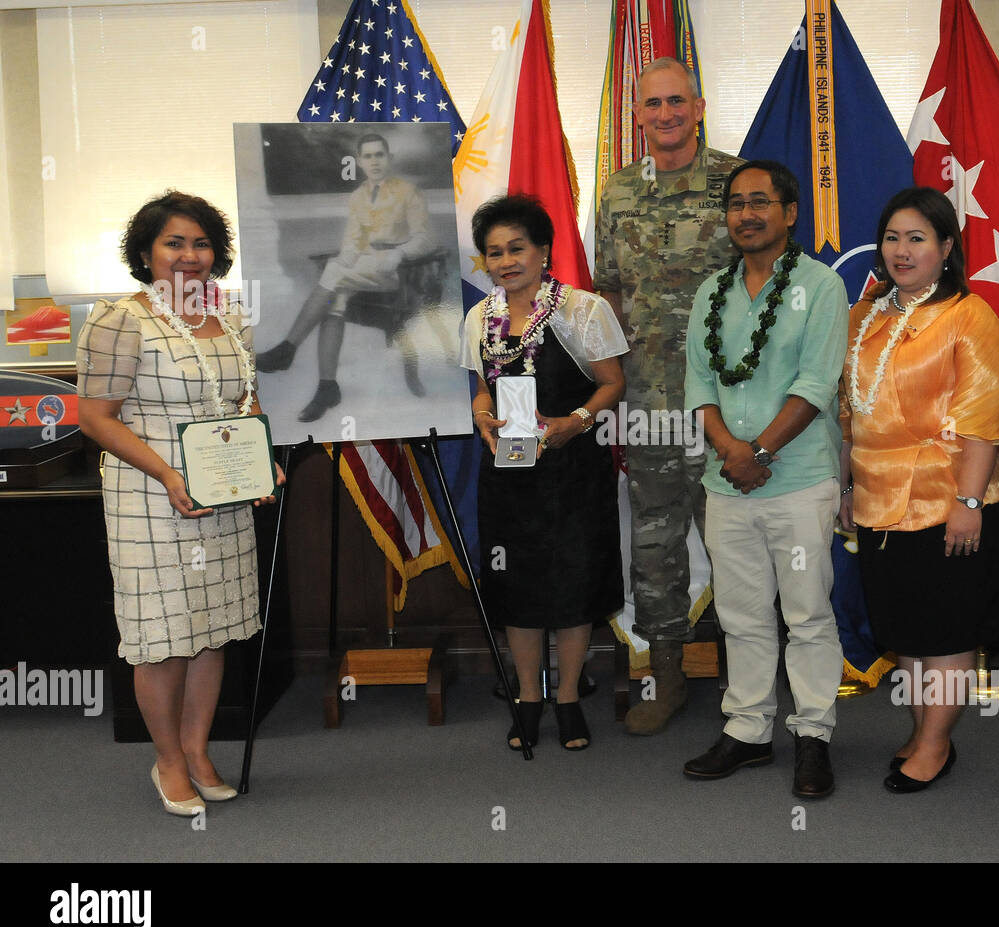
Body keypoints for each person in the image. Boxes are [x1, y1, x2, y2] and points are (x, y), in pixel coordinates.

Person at [76, 191, 285, 816]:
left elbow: (246, 400)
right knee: (163, 634)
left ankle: (197, 750)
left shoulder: (230, 318)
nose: (190, 256)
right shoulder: (120, 320)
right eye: (175, 242)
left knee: (211, 629)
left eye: (201, 243)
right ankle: (167, 760)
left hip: (221, 493)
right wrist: (169, 474)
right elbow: (93, 417)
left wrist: (259, 458)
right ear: (146, 252)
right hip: (151, 493)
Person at [838, 187, 999, 793]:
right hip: (875, 501)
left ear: (947, 248)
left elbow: (984, 421)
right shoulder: (863, 317)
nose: (901, 250)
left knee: (946, 633)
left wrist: (968, 505)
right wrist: (846, 486)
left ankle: (936, 743)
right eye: (892, 237)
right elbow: (850, 414)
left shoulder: (970, 316)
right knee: (906, 630)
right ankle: (924, 729)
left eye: (917, 238)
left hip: (949, 502)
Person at [682, 160, 848, 798]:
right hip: (727, 484)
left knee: (807, 614)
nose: (746, 214)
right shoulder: (710, 292)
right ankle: (748, 731)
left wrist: (759, 451)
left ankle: (814, 734)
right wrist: (731, 452)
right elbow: (701, 382)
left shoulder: (821, 286)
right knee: (742, 614)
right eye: (736, 204)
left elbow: (816, 382)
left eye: (760, 202)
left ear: (790, 212)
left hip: (798, 480)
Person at [593, 57, 743, 735]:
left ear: (699, 105)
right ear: (640, 113)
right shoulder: (619, 192)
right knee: (655, 546)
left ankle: (751, 680)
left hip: (728, 404)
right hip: (650, 405)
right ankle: (668, 675)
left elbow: (766, 284)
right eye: (652, 104)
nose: (664, 115)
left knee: (738, 542)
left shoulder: (738, 185)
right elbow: (610, 293)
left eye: (676, 102)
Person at [460, 194, 628, 751]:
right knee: (518, 585)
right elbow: (484, 386)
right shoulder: (479, 317)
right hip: (508, 474)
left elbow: (613, 383)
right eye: (494, 253)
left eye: (517, 248)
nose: (506, 261)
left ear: (544, 251)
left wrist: (572, 423)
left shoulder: (583, 309)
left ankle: (570, 696)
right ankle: (528, 695)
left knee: (575, 582)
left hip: (573, 469)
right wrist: (482, 414)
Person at [258, 133, 434, 421]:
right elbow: (352, 243)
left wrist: (400, 253)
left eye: (379, 155)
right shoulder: (358, 197)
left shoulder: (407, 192)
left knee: (333, 278)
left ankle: (288, 350)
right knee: (334, 298)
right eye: (368, 156)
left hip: (396, 274)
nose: (374, 161)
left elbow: (424, 239)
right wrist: (345, 257)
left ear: (388, 159)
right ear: (361, 161)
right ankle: (327, 386)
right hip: (361, 271)